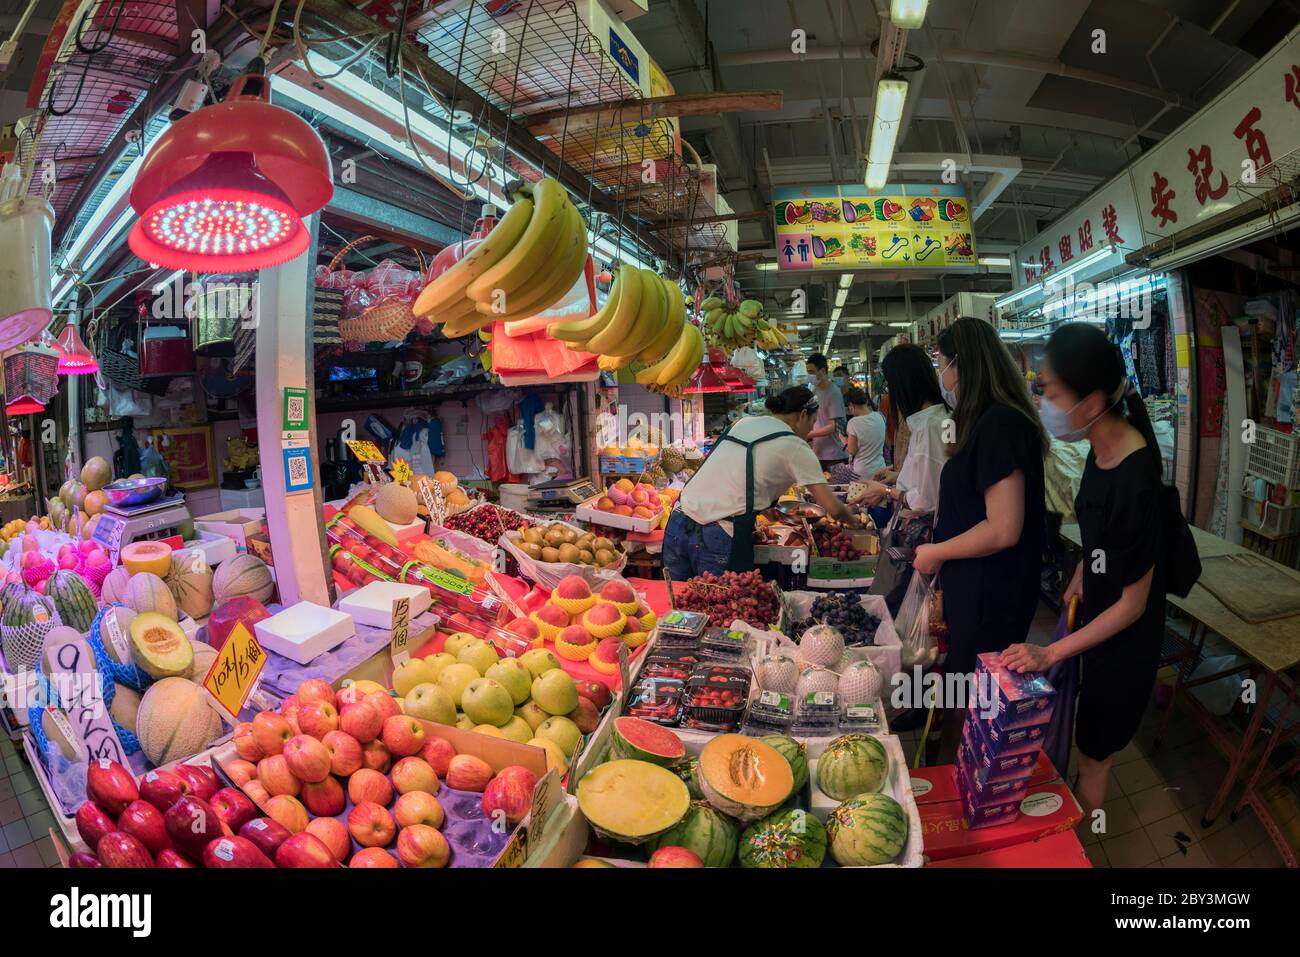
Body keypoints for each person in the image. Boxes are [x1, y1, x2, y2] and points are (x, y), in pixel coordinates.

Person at [1001, 323, 1165, 814]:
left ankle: (1083, 847)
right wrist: (1079, 576)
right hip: (1093, 619)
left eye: (1048, 388)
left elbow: (1133, 605)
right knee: (1079, 737)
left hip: (1124, 644)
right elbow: (1099, 540)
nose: (1041, 396)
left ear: (1091, 403)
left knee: (1095, 756)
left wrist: (1051, 654)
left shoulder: (1137, 482)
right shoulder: (1099, 448)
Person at [912, 317, 1047, 757]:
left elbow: (1004, 527)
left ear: (961, 363)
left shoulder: (1001, 425)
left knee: (971, 698)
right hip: (977, 585)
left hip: (992, 591)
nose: (940, 372)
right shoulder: (986, 421)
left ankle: (964, 786)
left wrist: (936, 551)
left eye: (941, 361)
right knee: (962, 692)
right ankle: (957, 772)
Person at [663, 386, 862, 579]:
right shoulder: (795, 446)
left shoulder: (741, 423)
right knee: (718, 607)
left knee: (680, 605)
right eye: (812, 423)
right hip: (718, 533)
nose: (811, 430)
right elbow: (833, 509)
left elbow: (737, 475)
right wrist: (854, 523)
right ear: (802, 415)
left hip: (678, 520)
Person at [851, 344, 949, 514]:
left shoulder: (930, 427)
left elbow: (926, 501)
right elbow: (937, 473)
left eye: (890, 385)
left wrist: (885, 491)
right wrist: (899, 475)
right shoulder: (943, 417)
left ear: (903, 384)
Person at [805, 353, 848, 469]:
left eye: (811, 372)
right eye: (808, 372)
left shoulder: (833, 392)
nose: (809, 375)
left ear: (822, 371)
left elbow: (835, 425)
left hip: (834, 456)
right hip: (818, 453)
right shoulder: (815, 390)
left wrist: (810, 434)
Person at [844, 387, 886, 480]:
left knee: (864, 494)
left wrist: (844, 440)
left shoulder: (853, 423)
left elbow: (852, 450)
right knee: (880, 493)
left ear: (851, 405)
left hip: (863, 472)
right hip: (881, 468)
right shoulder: (880, 416)